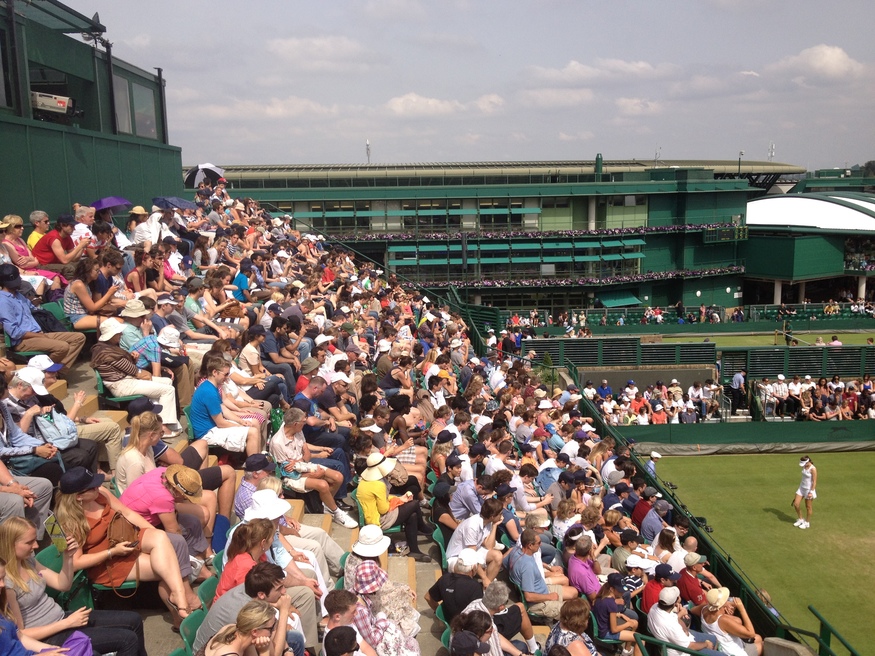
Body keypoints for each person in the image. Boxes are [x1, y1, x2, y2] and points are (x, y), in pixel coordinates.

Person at [0, 516, 147, 656]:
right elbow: (21, 634)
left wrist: (68, 557)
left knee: (134, 620)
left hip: (63, 618)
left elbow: (63, 584)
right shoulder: (7, 584)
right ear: (10, 544)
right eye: (29, 542)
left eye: (35, 540)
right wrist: (67, 623)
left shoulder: (28, 561)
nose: (36, 546)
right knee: (127, 640)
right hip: (50, 635)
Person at [91, 318, 181, 431]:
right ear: (111, 335)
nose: (121, 334)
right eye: (118, 333)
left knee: (167, 381)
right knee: (168, 390)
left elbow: (129, 368)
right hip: (122, 385)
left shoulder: (108, 348)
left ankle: (159, 420)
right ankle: (163, 427)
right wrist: (144, 372)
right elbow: (135, 372)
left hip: (126, 380)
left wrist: (134, 360)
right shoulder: (109, 354)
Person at [0, 264, 85, 371]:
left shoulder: (18, 295)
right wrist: (38, 335)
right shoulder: (3, 301)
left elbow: (34, 309)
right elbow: (14, 332)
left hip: (38, 333)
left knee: (79, 338)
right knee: (62, 347)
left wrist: (37, 299)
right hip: (23, 341)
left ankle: (57, 372)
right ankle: (44, 371)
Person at [356, 452, 432, 562]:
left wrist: (400, 499)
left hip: (373, 517)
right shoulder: (378, 485)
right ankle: (422, 527)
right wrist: (398, 501)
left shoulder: (365, 481)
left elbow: (383, 498)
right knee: (414, 504)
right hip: (380, 520)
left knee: (413, 515)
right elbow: (384, 509)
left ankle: (414, 551)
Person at [190, 353, 263, 456]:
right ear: (215, 372)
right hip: (207, 433)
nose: (227, 377)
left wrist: (241, 421)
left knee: (254, 422)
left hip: (213, 427)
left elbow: (223, 409)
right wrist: (239, 426)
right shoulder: (209, 391)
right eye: (225, 374)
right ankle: (255, 465)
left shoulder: (212, 386)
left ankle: (259, 458)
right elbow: (221, 423)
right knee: (252, 432)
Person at [200, 598, 292, 656]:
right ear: (255, 632)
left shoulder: (239, 632)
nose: (273, 631)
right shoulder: (229, 654)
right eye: (271, 628)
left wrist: (287, 650)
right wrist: (264, 652)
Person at [215, 518, 276, 602]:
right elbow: (248, 598)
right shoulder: (246, 566)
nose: (273, 540)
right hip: (229, 605)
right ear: (263, 543)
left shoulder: (260, 556)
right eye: (272, 537)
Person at [647, 586, 720, 656]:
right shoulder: (671, 625)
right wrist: (706, 644)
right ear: (675, 603)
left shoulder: (654, 607)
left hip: (681, 639)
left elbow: (680, 626)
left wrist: (680, 613)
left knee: (714, 639)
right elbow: (690, 646)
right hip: (683, 652)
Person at [701, 588, 763, 656]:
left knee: (758, 638)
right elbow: (751, 634)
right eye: (726, 599)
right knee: (762, 645)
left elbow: (737, 621)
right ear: (722, 604)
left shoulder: (703, 609)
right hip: (735, 653)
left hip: (722, 645)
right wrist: (742, 609)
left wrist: (726, 611)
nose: (727, 600)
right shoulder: (723, 620)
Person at [592, 574, 641, 656]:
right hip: (605, 633)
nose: (622, 592)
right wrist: (628, 624)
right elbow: (614, 629)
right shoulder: (611, 603)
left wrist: (619, 615)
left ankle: (626, 651)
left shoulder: (600, 597)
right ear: (611, 589)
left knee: (635, 623)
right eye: (620, 590)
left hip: (600, 628)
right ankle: (627, 651)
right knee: (640, 639)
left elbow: (604, 613)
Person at [792, 456, 817, 529]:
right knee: (796, 504)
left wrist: (811, 492)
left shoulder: (813, 469)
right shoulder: (804, 466)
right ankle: (800, 519)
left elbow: (814, 481)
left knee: (808, 507)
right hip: (801, 488)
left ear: (808, 462)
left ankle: (807, 523)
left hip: (809, 490)